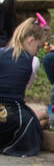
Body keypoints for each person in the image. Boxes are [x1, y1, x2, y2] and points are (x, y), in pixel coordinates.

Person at [0, 18, 48, 156]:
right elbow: (21, 90)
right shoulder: (33, 61)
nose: (37, 52)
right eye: (38, 47)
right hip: (12, 112)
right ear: (30, 40)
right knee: (37, 119)